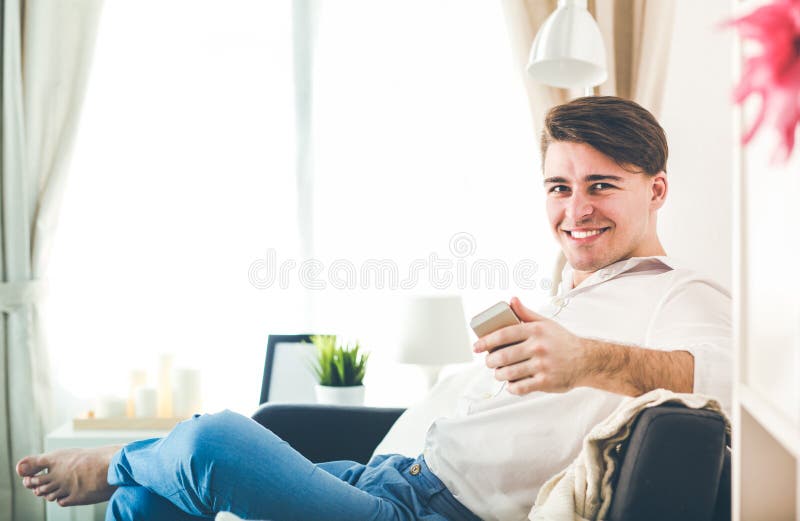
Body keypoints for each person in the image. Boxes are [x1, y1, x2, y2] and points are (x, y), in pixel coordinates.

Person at [16, 96, 732, 521]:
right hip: (389, 476)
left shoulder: (678, 291)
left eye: (600, 185)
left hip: (427, 514)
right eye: (557, 187)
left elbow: (724, 381)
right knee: (148, 505)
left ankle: (113, 461)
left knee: (209, 442)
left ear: (657, 189)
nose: (575, 209)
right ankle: (132, 476)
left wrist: (587, 358)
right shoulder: (576, 289)